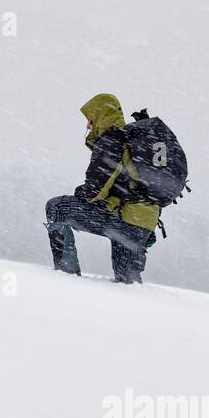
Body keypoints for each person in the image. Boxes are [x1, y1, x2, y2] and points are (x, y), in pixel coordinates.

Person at [45, 93, 160, 283]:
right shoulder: (134, 142)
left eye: (90, 120)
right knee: (128, 285)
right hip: (144, 225)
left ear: (101, 116)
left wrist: (80, 192)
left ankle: (65, 276)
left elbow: (95, 191)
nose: (88, 126)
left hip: (123, 221)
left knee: (57, 207)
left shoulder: (112, 140)